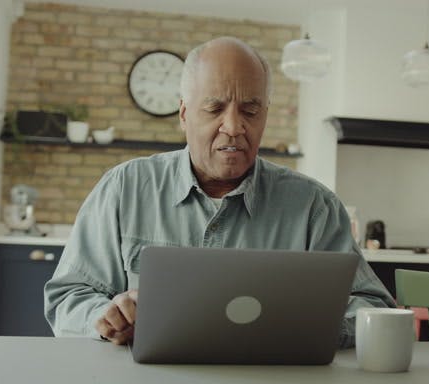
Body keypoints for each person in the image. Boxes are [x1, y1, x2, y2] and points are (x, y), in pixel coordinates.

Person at [43, 36, 395, 349]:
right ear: (184, 114)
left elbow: (374, 309)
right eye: (214, 109)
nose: (234, 127)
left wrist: (307, 325)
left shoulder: (314, 208)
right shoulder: (124, 188)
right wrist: (104, 317)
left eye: (250, 110)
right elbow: (67, 298)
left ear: (265, 116)